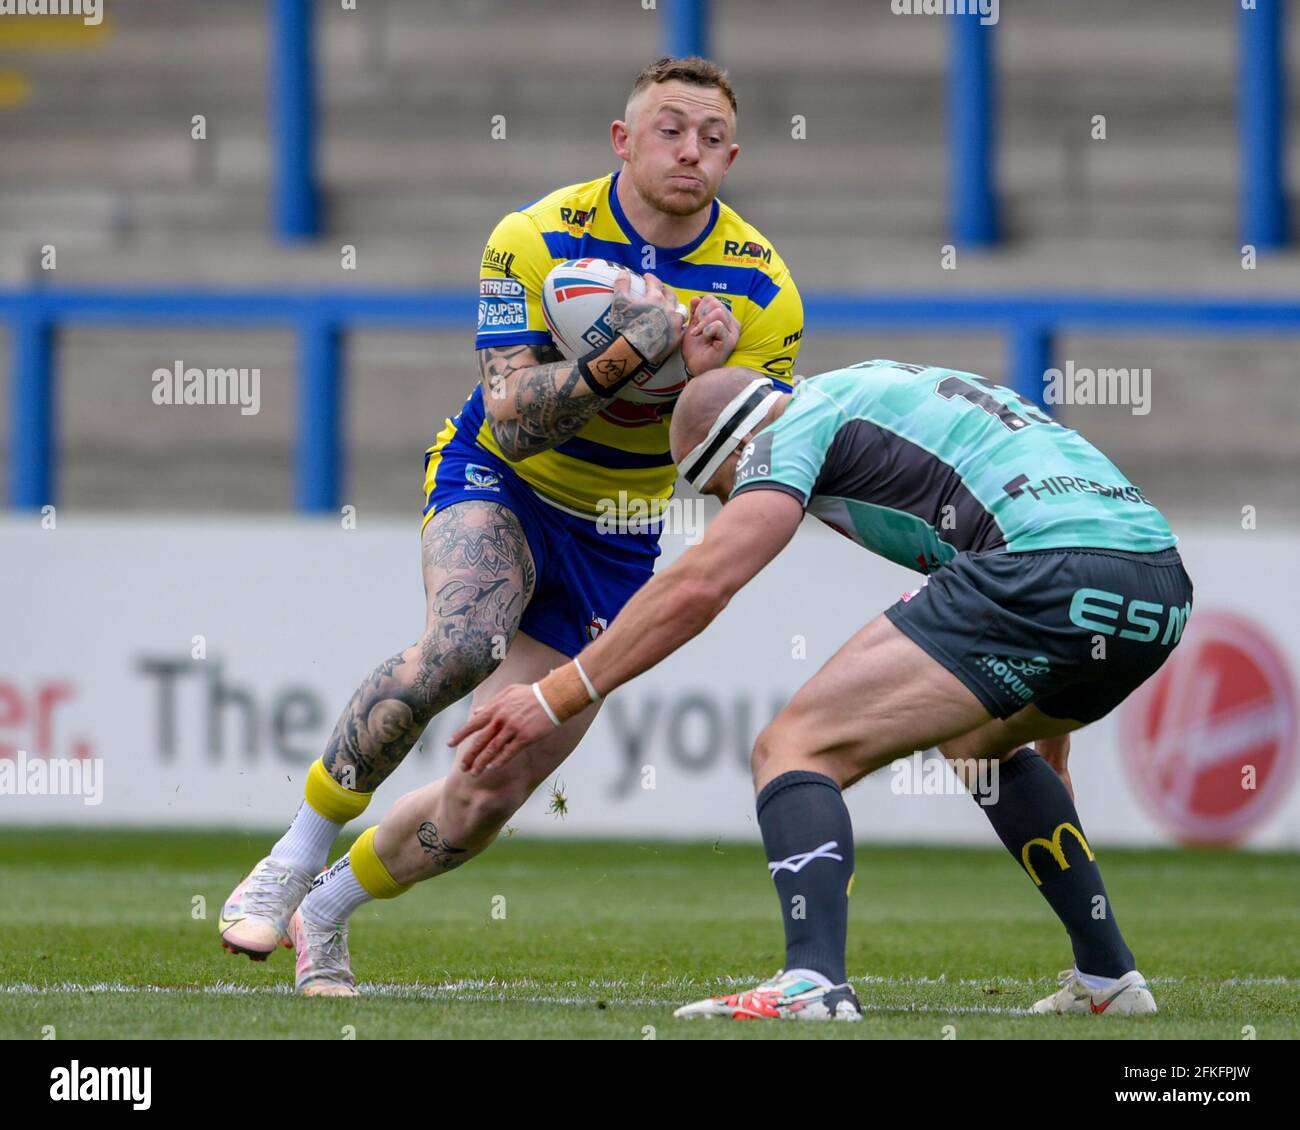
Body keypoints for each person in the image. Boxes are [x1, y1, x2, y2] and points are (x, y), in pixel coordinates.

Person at [218, 56, 804, 996]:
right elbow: (514, 418)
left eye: (711, 137)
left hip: (618, 530)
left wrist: (705, 385)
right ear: (623, 140)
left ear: (732, 158)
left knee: (489, 792)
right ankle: (293, 853)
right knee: (462, 644)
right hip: (503, 476)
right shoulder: (533, 236)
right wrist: (625, 356)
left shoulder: (765, 292)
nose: (690, 150)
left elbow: (738, 473)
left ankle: (321, 911)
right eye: (669, 129)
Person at [453, 360, 1194, 1021]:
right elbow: (1054, 520)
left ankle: (812, 982)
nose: (734, 501)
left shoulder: (792, 424)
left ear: (738, 447)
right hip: (1156, 588)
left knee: (794, 747)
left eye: (723, 488)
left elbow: (705, 581)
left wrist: (555, 695)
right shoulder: (881, 392)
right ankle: (1109, 975)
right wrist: (1046, 745)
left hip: (1044, 568)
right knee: (978, 745)